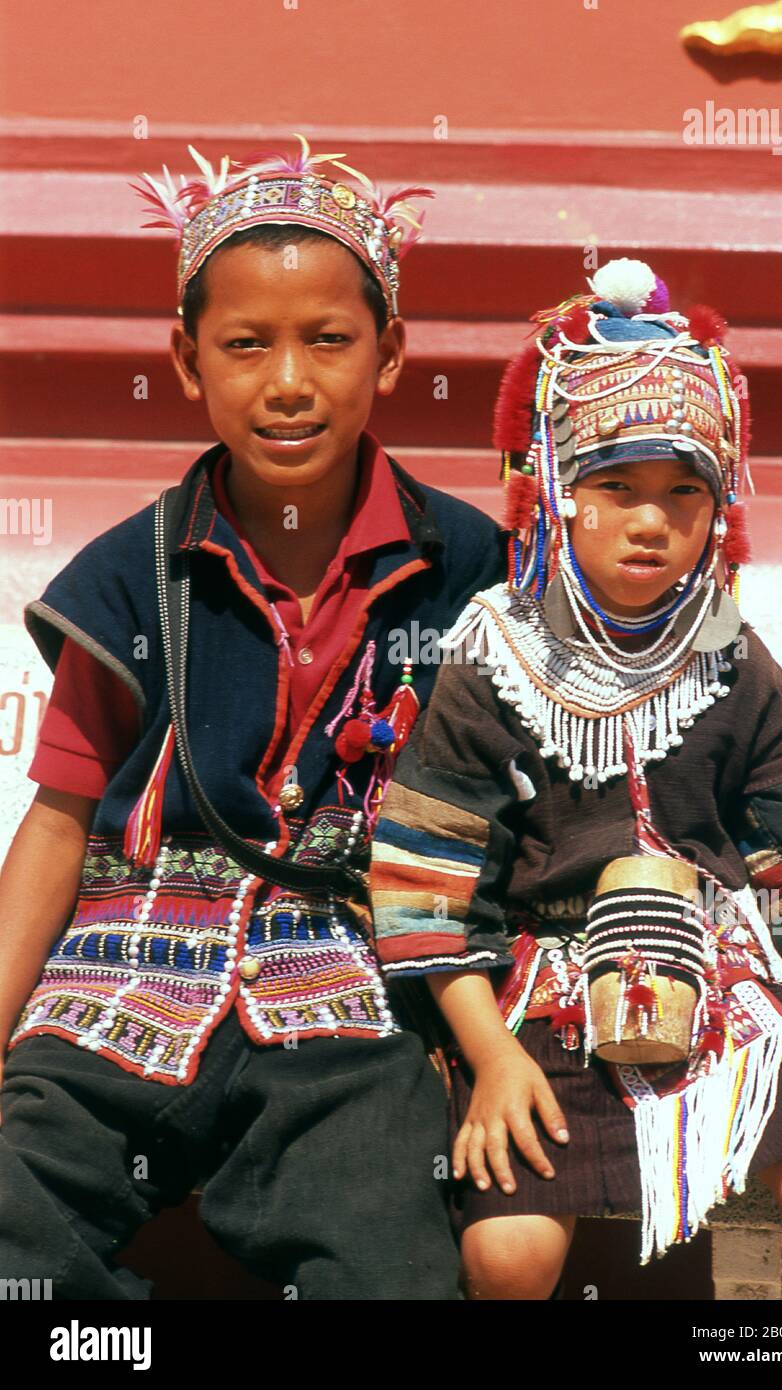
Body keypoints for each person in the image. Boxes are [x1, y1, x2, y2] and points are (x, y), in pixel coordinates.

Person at [0, 133, 509, 1300]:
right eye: (246, 344)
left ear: (390, 351)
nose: (288, 381)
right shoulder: (130, 574)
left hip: (348, 996)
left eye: (329, 340)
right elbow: (60, 816)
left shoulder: (468, 567)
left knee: (389, 1270)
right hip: (118, 979)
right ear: (187, 361)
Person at [369, 258, 782, 1300]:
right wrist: (487, 1056)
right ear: (555, 491)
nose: (650, 521)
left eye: (681, 493)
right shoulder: (488, 660)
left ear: (714, 509)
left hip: (716, 987)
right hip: (538, 999)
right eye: (615, 488)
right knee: (508, 1254)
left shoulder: (733, 659)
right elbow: (422, 885)